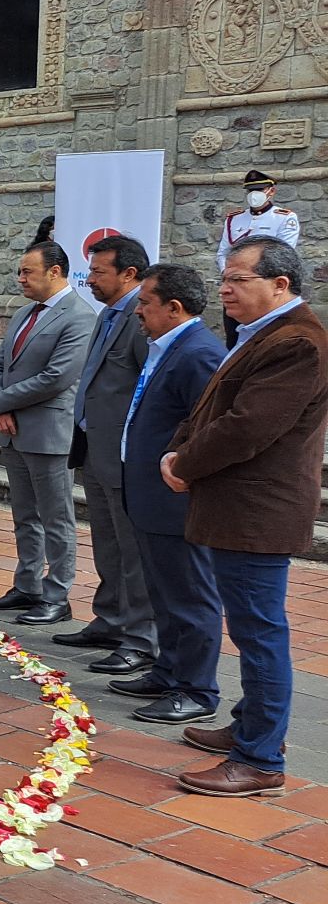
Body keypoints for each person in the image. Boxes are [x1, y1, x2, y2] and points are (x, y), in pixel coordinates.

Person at [159, 239, 328, 797]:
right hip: (239, 506)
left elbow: (247, 427)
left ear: (280, 284)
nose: (224, 290)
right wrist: (178, 450)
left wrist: (184, 462)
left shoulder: (297, 342)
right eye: (224, 278)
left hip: (258, 511)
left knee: (259, 632)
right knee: (253, 626)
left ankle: (260, 759)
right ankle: (251, 726)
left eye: (237, 279)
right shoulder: (264, 333)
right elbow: (213, 407)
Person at [114, 264, 225, 726]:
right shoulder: (169, 346)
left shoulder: (198, 354)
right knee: (164, 591)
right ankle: (169, 670)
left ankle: (197, 689)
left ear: (173, 308)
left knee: (190, 595)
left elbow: (209, 429)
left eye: (145, 303)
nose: (137, 311)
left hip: (175, 498)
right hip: (150, 494)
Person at [0, 241, 95, 626]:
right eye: (20, 271)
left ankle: (57, 595)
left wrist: (1, 402)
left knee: (56, 518)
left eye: (28, 271)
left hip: (49, 432)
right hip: (13, 429)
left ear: (55, 272)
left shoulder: (79, 316)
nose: (20, 278)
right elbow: (0, 363)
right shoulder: (24, 312)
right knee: (25, 514)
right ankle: (27, 584)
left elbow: (57, 377)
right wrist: (0, 404)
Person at [62, 235, 154, 673]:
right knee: (107, 542)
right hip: (95, 449)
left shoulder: (141, 319)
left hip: (123, 453)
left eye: (99, 272)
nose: (90, 280)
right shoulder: (108, 313)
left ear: (129, 274)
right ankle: (110, 618)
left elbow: (147, 387)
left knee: (132, 549)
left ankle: (141, 637)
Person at [216, 170, 303, 347]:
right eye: (250, 190)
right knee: (233, 338)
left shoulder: (284, 218)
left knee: (265, 340)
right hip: (235, 288)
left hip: (263, 288)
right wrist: (232, 276)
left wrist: (248, 277)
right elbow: (223, 252)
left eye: (259, 190)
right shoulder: (235, 219)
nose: (254, 194)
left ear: (271, 191)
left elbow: (281, 256)